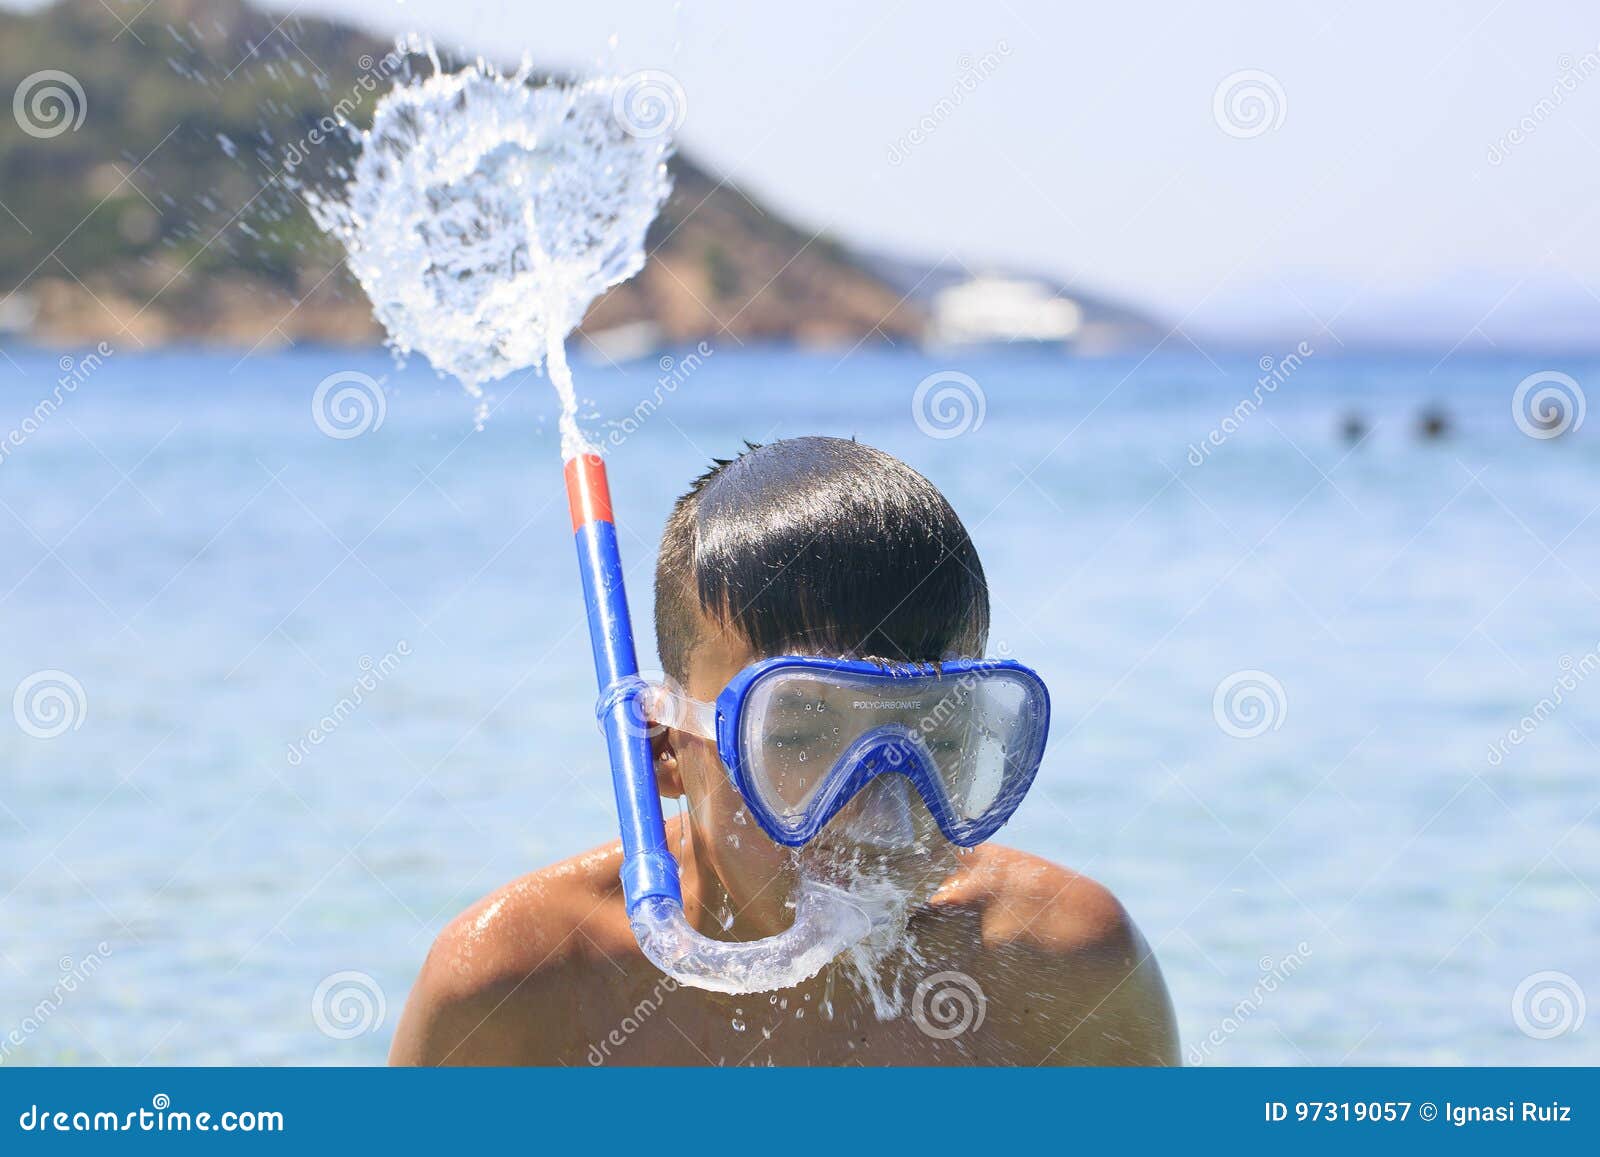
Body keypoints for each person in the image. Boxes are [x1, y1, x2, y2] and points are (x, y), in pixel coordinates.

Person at [390, 436, 1177, 1065]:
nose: (884, 813)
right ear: (665, 747)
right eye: (800, 734)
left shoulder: (1068, 970)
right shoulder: (513, 992)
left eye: (938, 734)